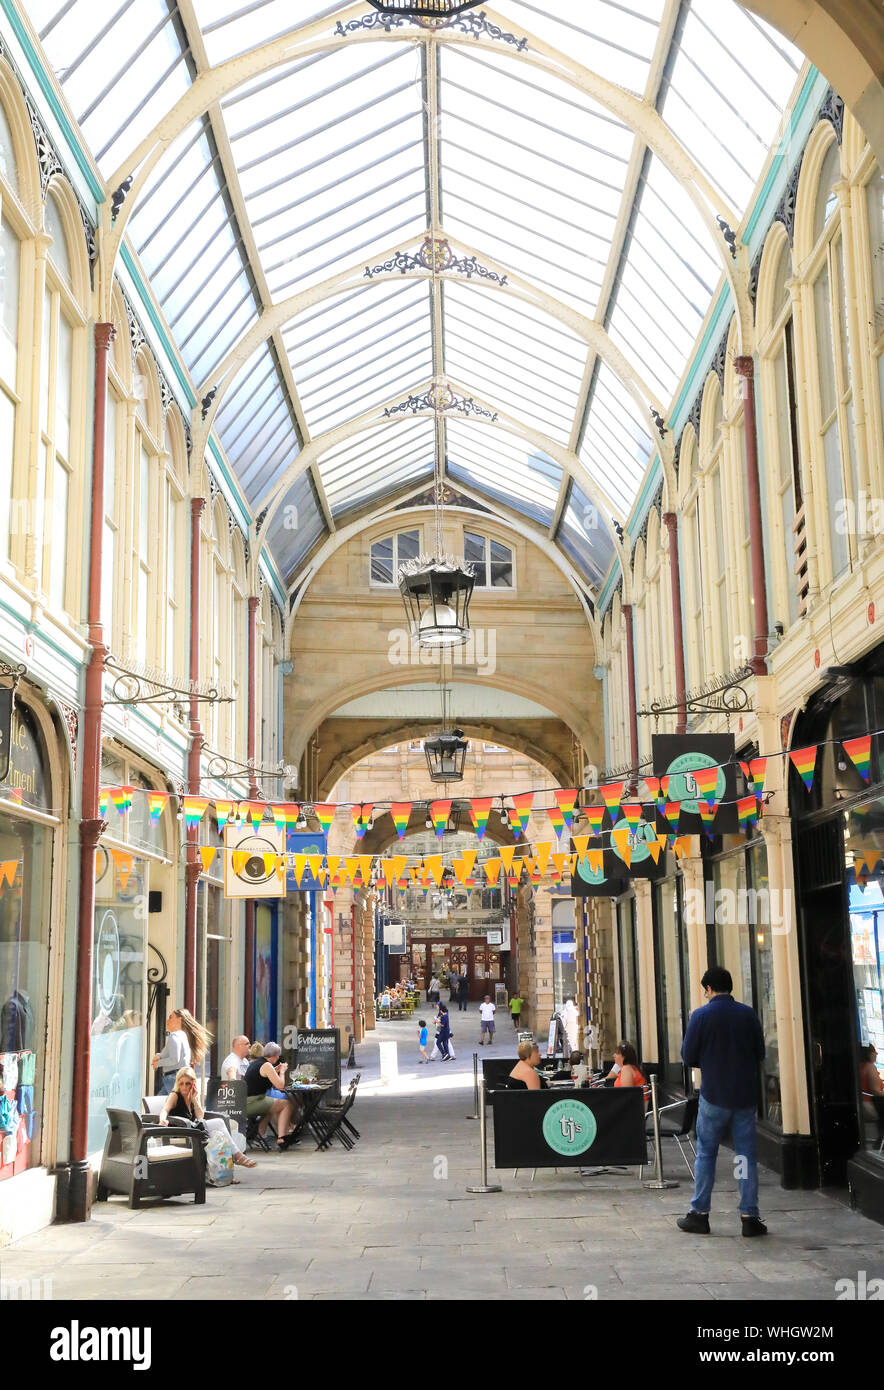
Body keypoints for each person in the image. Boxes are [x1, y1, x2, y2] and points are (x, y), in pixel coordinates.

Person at [677, 966, 767, 1237]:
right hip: (744, 1097)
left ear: (708, 989)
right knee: (744, 1156)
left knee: (706, 1153)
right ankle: (749, 1215)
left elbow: (688, 1056)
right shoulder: (747, 1014)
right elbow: (759, 1053)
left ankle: (700, 1213)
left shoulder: (701, 1016)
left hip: (714, 1096)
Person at [159, 1067, 256, 1169]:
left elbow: (200, 1116)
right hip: (182, 1132)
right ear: (177, 1083)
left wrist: (195, 1100)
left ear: (193, 1084)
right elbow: (165, 1109)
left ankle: (226, 1173)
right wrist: (162, 1119)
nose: (184, 1086)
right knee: (219, 1122)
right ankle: (238, 1155)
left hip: (193, 1131)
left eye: (187, 1083)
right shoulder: (174, 1095)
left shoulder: (193, 1096)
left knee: (217, 1135)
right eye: (181, 1083)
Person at [245, 1042, 297, 1152]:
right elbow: (280, 1086)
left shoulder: (258, 1063)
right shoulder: (267, 1065)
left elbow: (263, 1075)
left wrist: (275, 1070)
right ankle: (282, 1137)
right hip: (252, 1103)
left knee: (277, 1103)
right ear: (276, 1056)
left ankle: (269, 1133)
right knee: (287, 1104)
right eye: (278, 1056)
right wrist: (282, 1072)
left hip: (248, 1101)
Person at [151, 1007, 212, 1095]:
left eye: (171, 1017)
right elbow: (169, 1052)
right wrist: (159, 1056)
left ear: (179, 1020)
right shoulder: (182, 1035)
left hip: (174, 1078)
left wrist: (158, 1063)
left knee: (169, 1106)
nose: (168, 1020)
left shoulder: (175, 1036)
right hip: (179, 1077)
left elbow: (174, 1059)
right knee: (158, 1105)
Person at [860, 1043, 884, 1140]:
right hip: (870, 1106)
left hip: (864, 1104)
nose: (876, 1054)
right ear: (869, 1054)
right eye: (874, 1051)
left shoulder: (859, 1066)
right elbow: (875, 1091)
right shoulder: (870, 1067)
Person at [611, 1041, 647, 1107]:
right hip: (636, 1105)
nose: (614, 1055)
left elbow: (627, 1093)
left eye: (617, 1053)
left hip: (633, 1108)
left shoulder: (626, 1069)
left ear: (624, 1057)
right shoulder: (629, 1067)